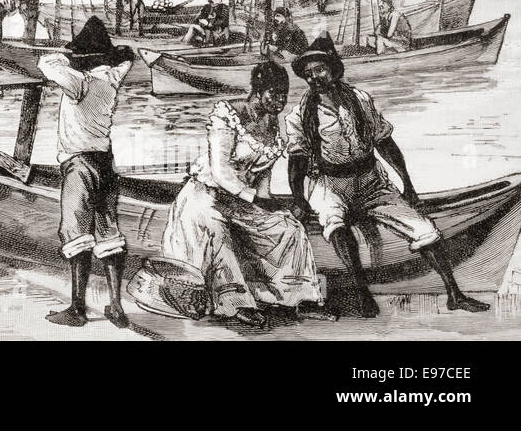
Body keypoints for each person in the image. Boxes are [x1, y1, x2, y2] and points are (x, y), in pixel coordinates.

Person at [285, 35, 489, 317]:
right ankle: (362, 294)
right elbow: (296, 163)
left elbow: (385, 143)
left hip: (371, 180)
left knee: (425, 230)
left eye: (319, 69)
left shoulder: (360, 100)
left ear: (334, 68)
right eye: (308, 74)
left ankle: (455, 294)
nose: (314, 77)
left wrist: (408, 185)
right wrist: (299, 199)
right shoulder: (299, 116)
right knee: (334, 223)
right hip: (330, 183)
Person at [161, 60, 334, 327]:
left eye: (284, 95)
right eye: (273, 94)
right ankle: (234, 304)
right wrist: (253, 197)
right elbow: (220, 170)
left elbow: (264, 173)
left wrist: (265, 202)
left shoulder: (273, 124)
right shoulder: (228, 114)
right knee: (217, 231)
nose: (279, 101)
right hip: (206, 196)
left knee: (290, 228)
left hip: (242, 201)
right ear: (257, 91)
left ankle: (299, 299)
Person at [37, 17, 134, 328]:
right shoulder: (111, 79)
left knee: (76, 233)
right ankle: (116, 305)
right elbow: (127, 59)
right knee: (109, 233)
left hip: (79, 166)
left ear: (83, 59)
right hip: (106, 163)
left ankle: (77, 308)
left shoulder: (79, 83)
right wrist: (116, 54)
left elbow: (46, 63)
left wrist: (68, 56)